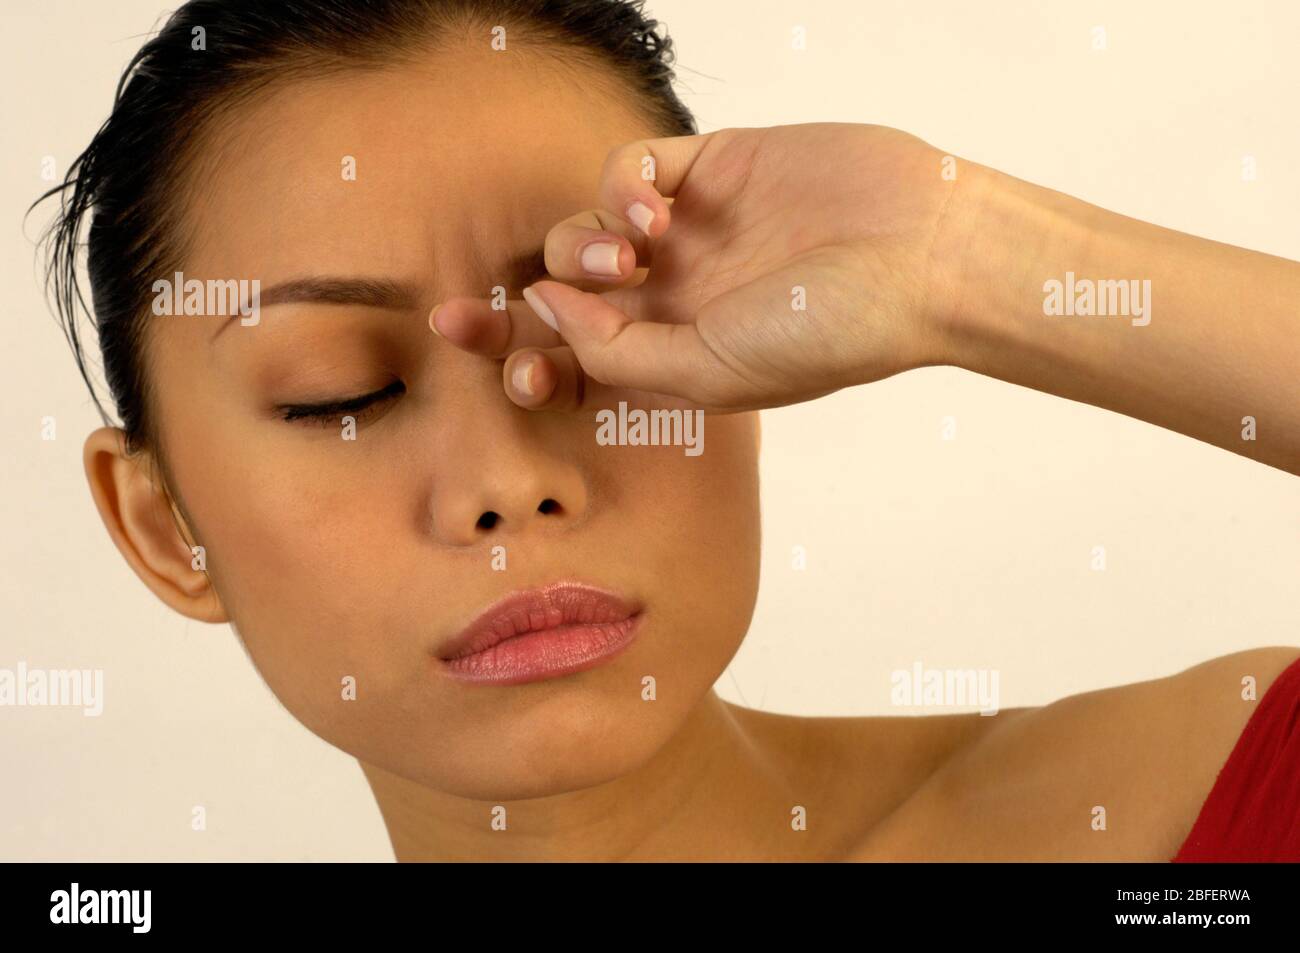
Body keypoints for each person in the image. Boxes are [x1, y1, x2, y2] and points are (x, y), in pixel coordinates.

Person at [34, 0, 1300, 861]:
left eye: (589, 335)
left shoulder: (1193, 805)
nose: (505, 484)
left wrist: (965, 260)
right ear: (163, 526)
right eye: (340, 392)